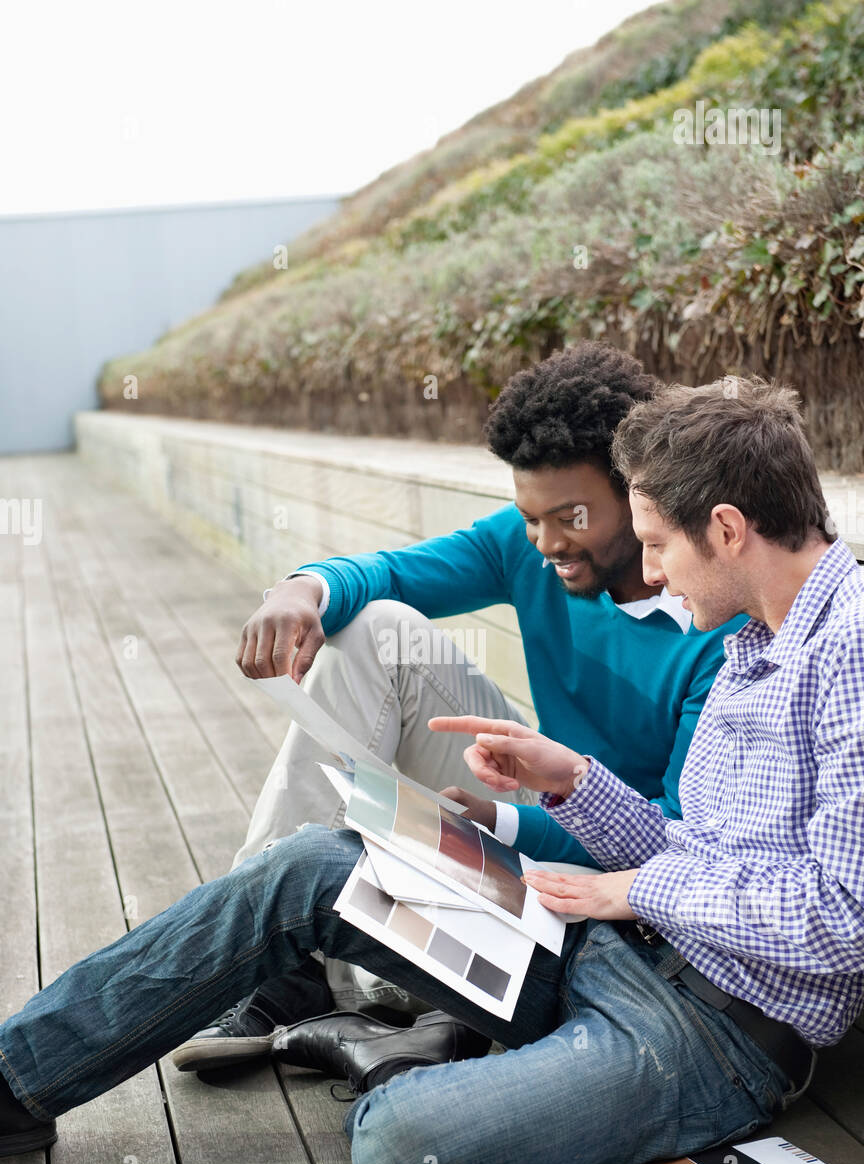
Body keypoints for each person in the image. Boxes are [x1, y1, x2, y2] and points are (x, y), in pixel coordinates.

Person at [1, 376, 859, 1164]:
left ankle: (415, 1039)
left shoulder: (845, 657)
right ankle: (14, 1081)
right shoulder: (755, 637)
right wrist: (570, 781)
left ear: (727, 529)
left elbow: (841, 920)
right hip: (605, 941)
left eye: (661, 545)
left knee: (399, 1144)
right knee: (306, 869)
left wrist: (631, 890)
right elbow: (692, 841)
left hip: (714, 1037)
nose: (658, 574)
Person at [177, 342, 743, 1072]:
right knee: (377, 628)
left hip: (610, 875)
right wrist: (302, 590)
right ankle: (279, 966)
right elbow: (390, 574)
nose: (545, 544)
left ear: (637, 491)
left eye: (569, 516)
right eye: (529, 517)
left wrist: (508, 821)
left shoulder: (718, 631)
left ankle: (364, 967)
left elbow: (667, 838)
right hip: (527, 792)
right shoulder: (530, 543)